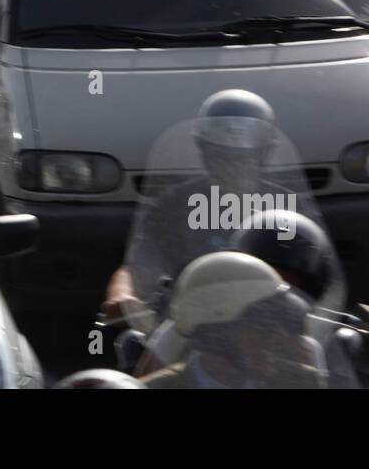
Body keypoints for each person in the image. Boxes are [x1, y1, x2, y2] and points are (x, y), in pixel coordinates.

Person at [102, 89, 297, 322]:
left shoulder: (284, 208)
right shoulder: (175, 205)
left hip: (270, 325)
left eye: (245, 158)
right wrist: (123, 297)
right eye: (221, 156)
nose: (232, 167)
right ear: (204, 154)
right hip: (191, 323)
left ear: (264, 157)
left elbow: (309, 276)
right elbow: (137, 267)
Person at [139, 252, 326, 388]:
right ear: (215, 334)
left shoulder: (301, 383)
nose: (279, 337)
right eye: (263, 327)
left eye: (278, 322)